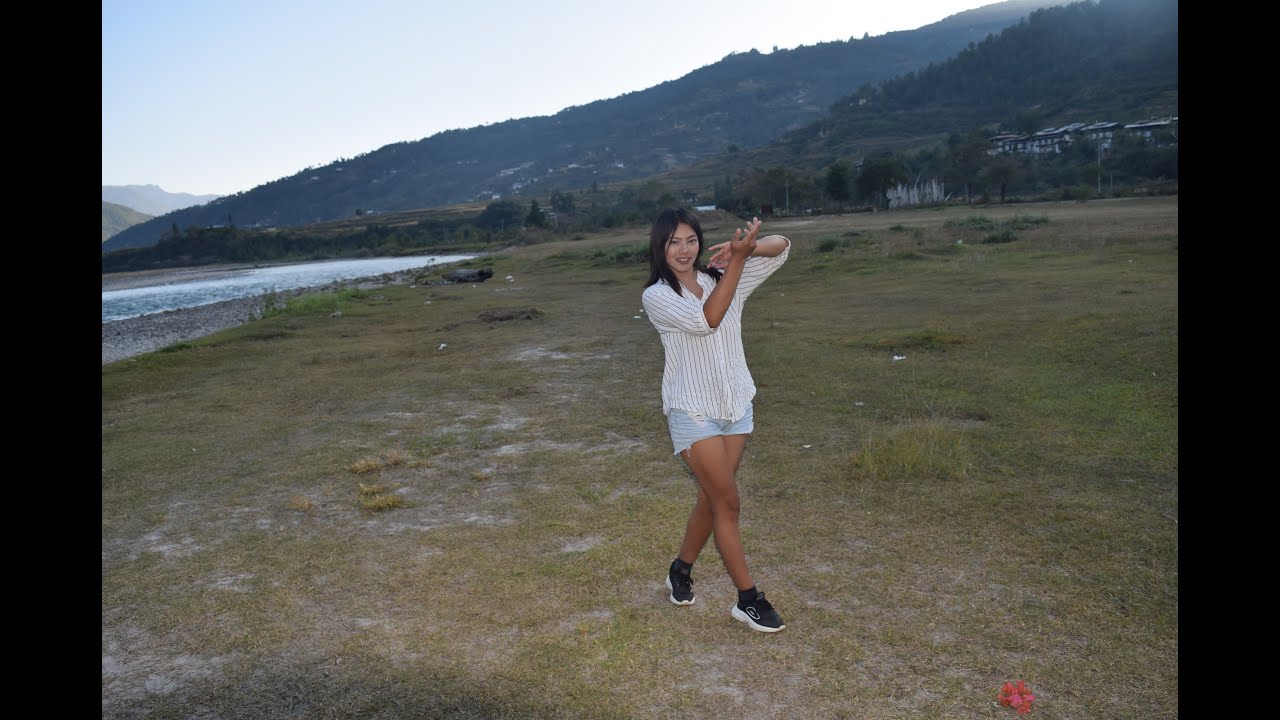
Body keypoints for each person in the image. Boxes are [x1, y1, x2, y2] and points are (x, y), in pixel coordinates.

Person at [640, 207, 791, 633]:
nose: (683, 250)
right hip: (693, 411)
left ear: (702, 242)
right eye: (673, 242)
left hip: (736, 405)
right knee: (728, 502)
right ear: (660, 247)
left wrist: (747, 248)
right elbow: (707, 320)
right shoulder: (656, 295)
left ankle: (680, 570)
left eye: (690, 240)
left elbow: (782, 250)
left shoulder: (722, 277)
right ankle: (749, 600)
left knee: (711, 498)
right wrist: (738, 263)